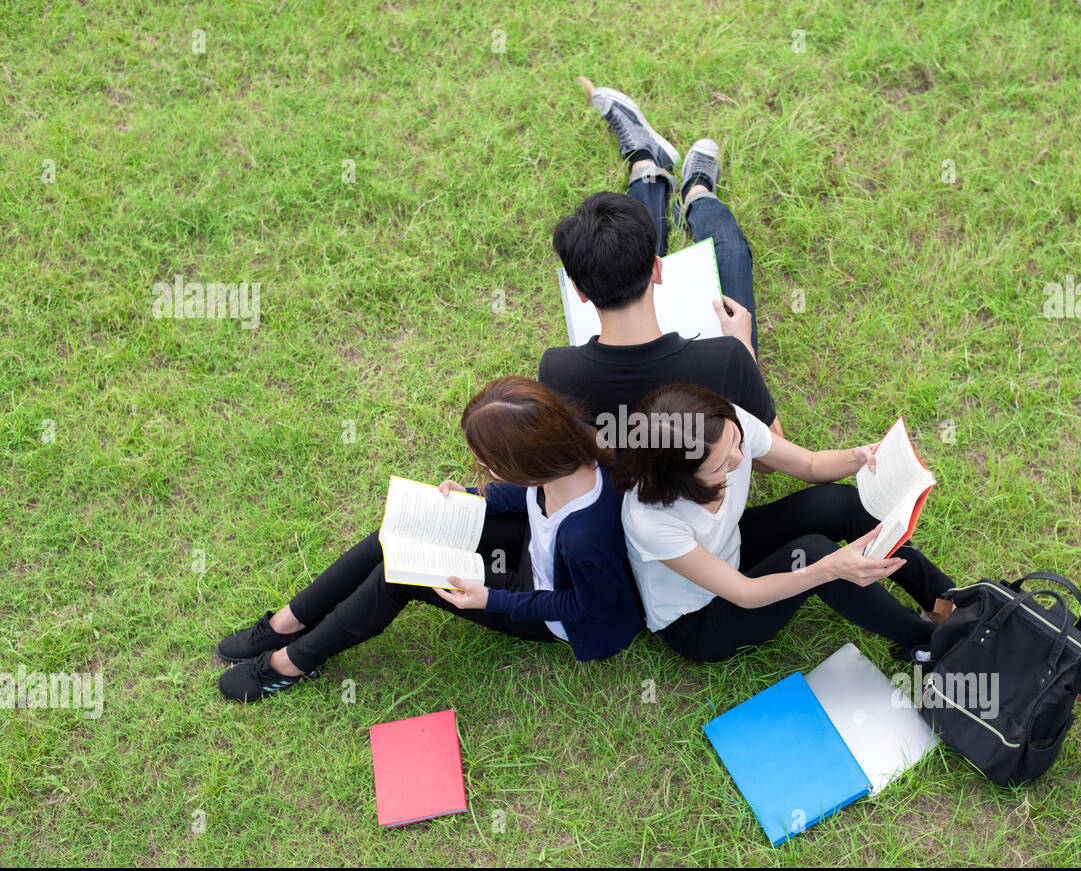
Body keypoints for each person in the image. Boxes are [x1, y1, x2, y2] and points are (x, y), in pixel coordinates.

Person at [215, 377, 643, 702]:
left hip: (550, 605)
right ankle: (288, 621)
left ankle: (294, 662)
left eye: (488, 463)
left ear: (529, 462)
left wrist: (490, 600)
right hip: (535, 545)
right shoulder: (571, 444)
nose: (481, 466)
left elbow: (590, 607)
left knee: (401, 575)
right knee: (397, 531)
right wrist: (474, 498)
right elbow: (528, 494)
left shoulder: (585, 536)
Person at [614, 384, 958, 663]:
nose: (739, 457)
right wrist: (829, 569)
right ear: (683, 482)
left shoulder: (720, 427)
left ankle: (946, 600)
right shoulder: (650, 519)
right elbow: (744, 593)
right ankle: (935, 643)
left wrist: (855, 458)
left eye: (737, 443)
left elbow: (808, 464)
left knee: (837, 503)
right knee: (813, 556)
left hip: (730, 547)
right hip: (701, 619)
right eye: (721, 467)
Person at [539, 78, 786, 454]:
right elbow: (771, 454)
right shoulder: (728, 357)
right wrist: (743, 347)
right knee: (730, 249)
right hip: (717, 374)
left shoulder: (557, 370)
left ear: (580, 292)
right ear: (658, 269)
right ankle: (697, 192)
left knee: (628, 241)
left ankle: (647, 164)